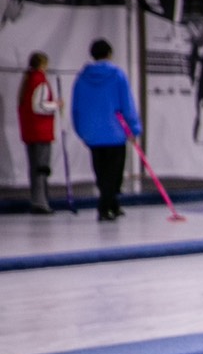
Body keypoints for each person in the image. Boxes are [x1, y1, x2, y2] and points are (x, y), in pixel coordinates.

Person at [70, 38, 140, 222]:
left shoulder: (81, 79)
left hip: (93, 133)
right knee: (114, 174)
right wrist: (134, 129)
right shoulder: (117, 75)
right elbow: (127, 105)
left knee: (101, 172)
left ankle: (113, 205)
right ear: (109, 54)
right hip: (115, 132)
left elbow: (76, 108)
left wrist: (81, 131)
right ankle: (104, 207)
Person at [15, 51, 57, 214]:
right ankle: (41, 201)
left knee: (34, 167)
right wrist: (55, 105)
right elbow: (39, 105)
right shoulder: (40, 81)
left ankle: (38, 199)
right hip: (41, 131)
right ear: (42, 65)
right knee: (41, 168)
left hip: (31, 131)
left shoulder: (28, 81)